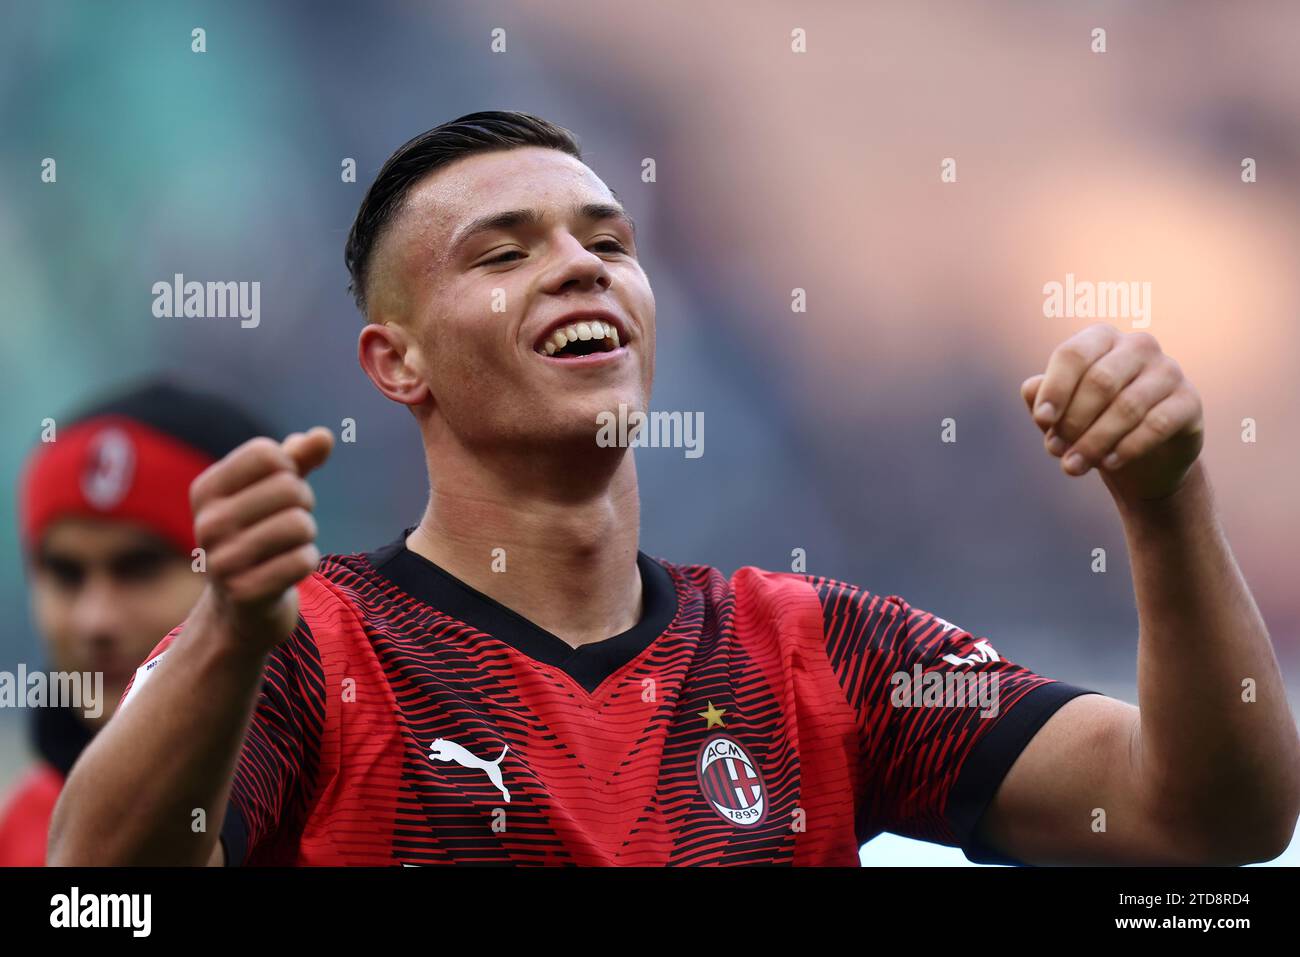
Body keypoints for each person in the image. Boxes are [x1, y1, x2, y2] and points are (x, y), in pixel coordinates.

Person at [48, 111, 1299, 866]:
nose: (579, 270)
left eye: (607, 244)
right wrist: (225, 633)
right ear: (397, 362)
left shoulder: (819, 651)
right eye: (504, 251)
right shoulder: (312, 653)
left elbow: (1204, 821)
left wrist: (1165, 508)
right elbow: (101, 899)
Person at [0, 381, 269, 865]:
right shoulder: (19, 831)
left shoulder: (355, 806)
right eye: (65, 572)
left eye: (140, 567)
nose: (95, 620)